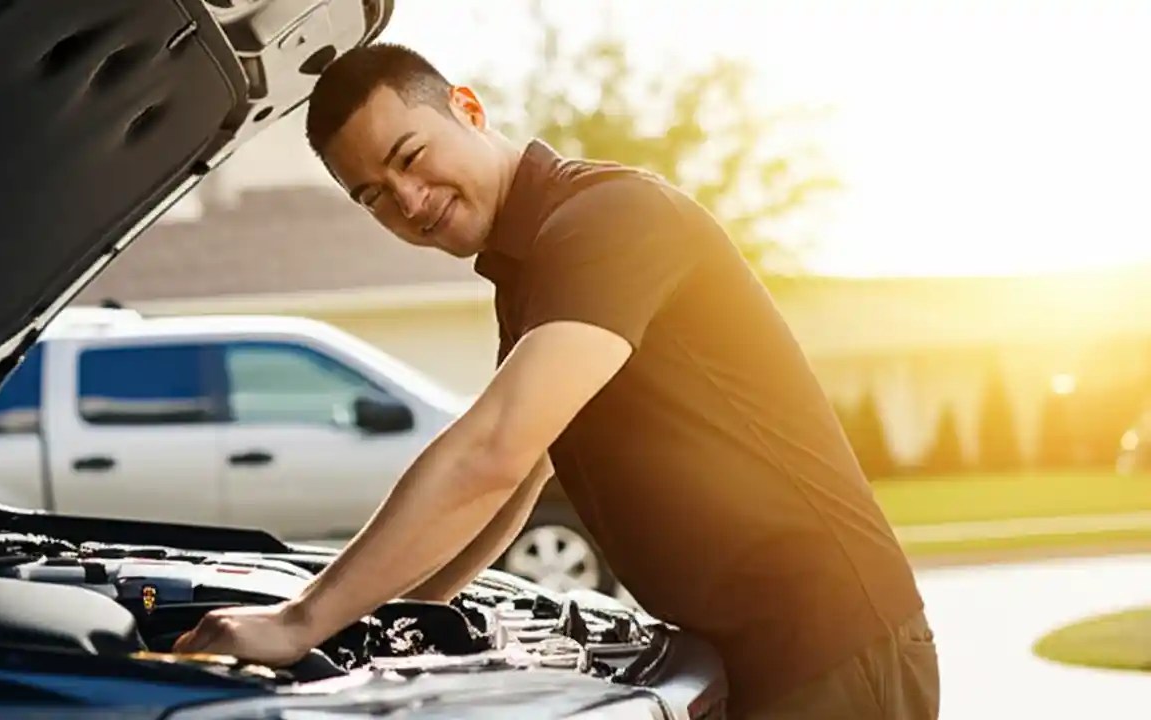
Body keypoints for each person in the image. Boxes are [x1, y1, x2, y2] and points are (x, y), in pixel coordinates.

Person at [173, 43, 940, 719]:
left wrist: (303, 619)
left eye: (408, 157)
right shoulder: (531, 269)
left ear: (468, 109)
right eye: (371, 194)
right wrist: (408, 612)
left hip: (829, 651)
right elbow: (521, 478)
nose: (405, 201)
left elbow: (493, 451)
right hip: (755, 652)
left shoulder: (610, 220)